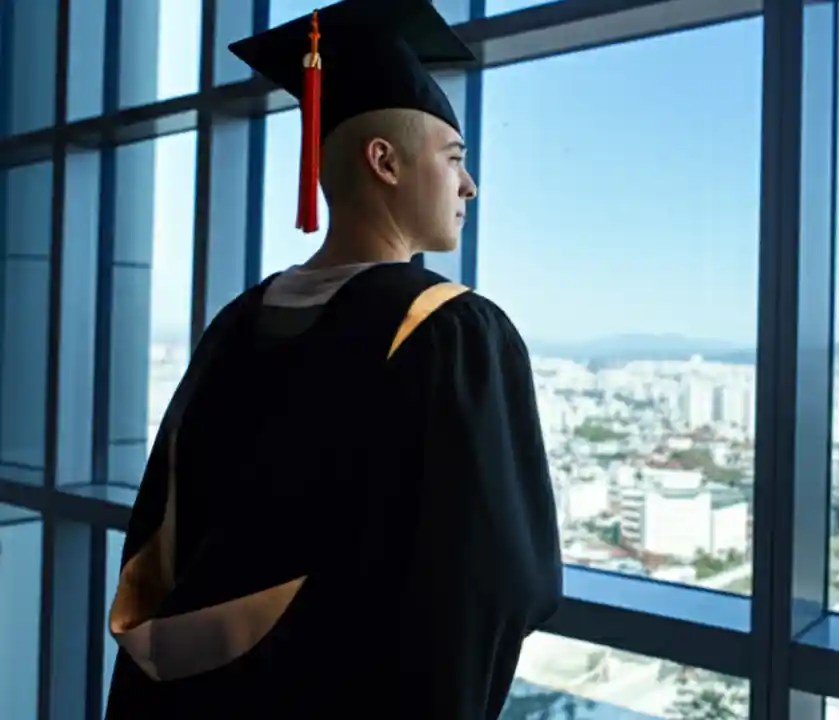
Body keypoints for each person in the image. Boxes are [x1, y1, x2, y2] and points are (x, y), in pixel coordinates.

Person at [103, 1, 562, 717]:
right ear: (383, 161)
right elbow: (497, 580)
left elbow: (163, 528)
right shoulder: (453, 332)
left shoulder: (239, 320)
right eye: (454, 159)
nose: (469, 186)